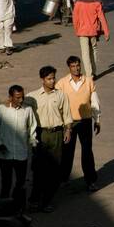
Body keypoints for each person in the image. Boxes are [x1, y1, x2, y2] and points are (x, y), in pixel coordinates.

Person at [29, 66, 72, 212]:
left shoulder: (61, 95)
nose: (52, 81)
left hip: (56, 134)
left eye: (54, 78)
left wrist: (68, 130)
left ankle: (47, 201)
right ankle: (34, 199)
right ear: (42, 79)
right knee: (38, 168)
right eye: (49, 79)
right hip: (40, 134)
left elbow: (67, 115)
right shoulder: (32, 97)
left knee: (54, 169)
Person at [58, 55, 100, 191]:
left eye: (77, 65)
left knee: (87, 152)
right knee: (67, 152)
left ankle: (91, 181)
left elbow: (94, 102)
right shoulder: (62, 83)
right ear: (69, 67)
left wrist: (97, 120)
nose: (76, 68)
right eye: (73, 66)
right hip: (69, 124)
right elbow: (58, 103)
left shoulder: (88, 81)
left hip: (85, 121)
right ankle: (63, 178)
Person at [0, 84, 37, 205]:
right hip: (5, 154)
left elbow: (32, 128)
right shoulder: (1, 110)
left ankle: (17, 206)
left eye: (22, 97)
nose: (21, 100)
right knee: (6, 182)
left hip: (21, 153)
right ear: (10, 97)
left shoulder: (27, 110)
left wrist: (33, 142)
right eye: (18, 97)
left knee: (20, 182)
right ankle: (3, 206)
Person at [71, 0, 110, 79]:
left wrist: (77, 30)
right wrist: (106, 32)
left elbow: (75, 19)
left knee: (85, 53)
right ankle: (94, 71)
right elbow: (102, 18)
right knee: (94, 50)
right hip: (93, 32)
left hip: (82, 32)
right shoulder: (97, 2)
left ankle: (89, 74)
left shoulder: (78, 3)